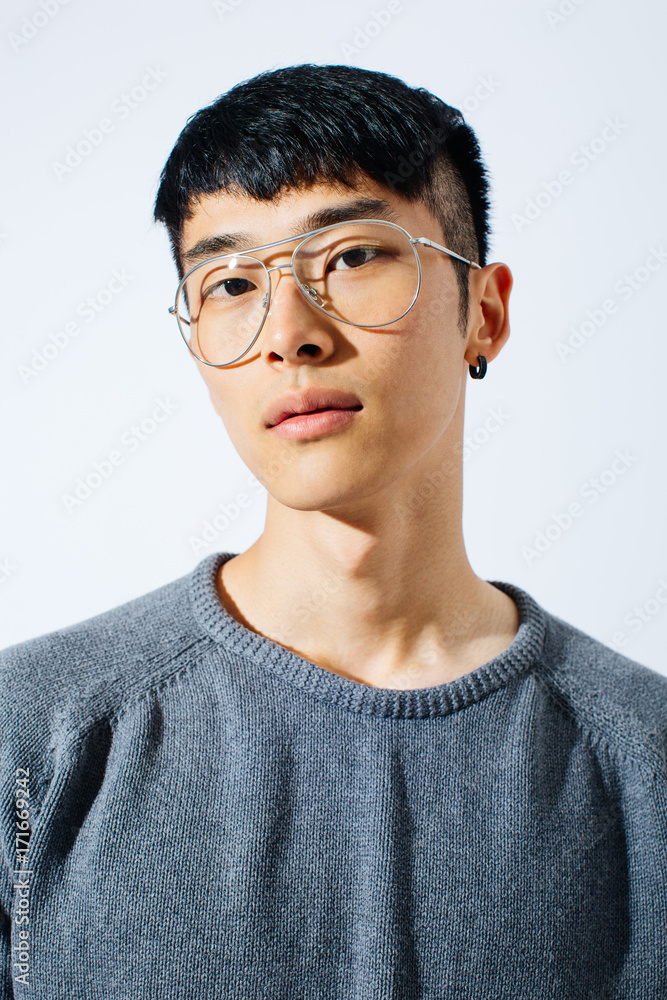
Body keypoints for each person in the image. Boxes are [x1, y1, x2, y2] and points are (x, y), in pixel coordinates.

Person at [1, 63, 666, 999]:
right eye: (230, 281)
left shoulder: (644, 760)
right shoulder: (34, 740)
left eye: (352, 256)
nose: (288, 332)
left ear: (485, 310)